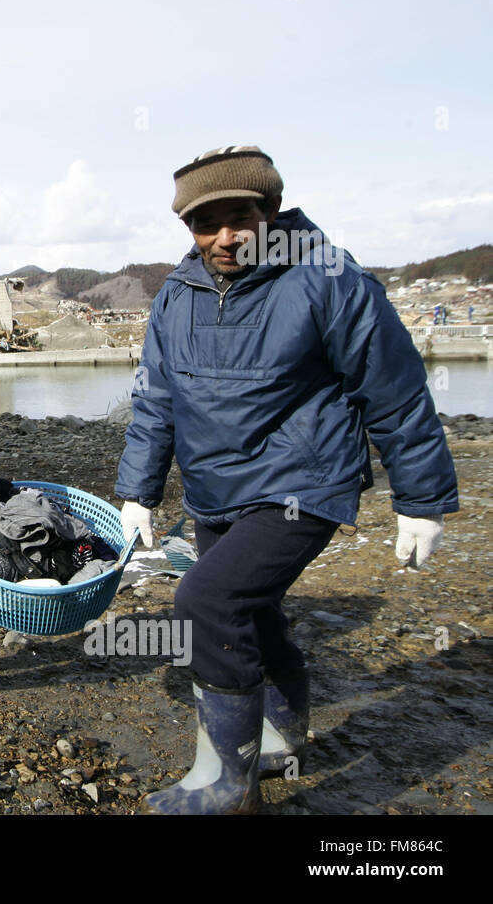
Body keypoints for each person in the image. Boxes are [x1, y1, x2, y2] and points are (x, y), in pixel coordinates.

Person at [115, 146, 459, 814]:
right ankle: (280, 739)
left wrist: (421, 499)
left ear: (270, 211)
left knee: (207, 605)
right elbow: (155, 397)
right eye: (201, 223)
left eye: (236, 218)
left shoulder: (328, 278)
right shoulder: (176, 294)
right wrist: (138, 489)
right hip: (218, 485)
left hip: (303, 483)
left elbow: (394, 390)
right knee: (252, 611)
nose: (221, 236)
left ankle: (225, 784)